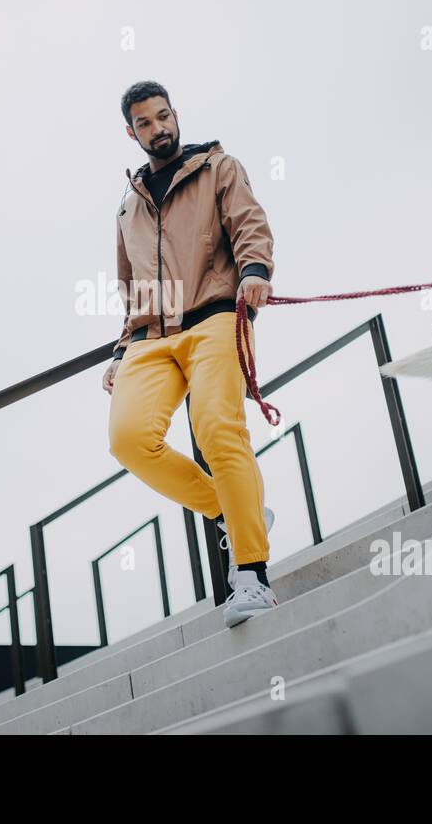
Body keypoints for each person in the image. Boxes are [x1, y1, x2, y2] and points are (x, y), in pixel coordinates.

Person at [103, 80, 279, 628]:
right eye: (145, 123)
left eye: (163, 117)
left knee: (216, 429)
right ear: (131, 133)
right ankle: (236, 510)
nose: (158, 129)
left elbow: (249, 222)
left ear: (175, 115)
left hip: (214, 318)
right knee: (128, 439)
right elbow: (130, 285)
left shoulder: (218, 168)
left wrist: (254, 270)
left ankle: (251, 575)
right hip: (151, 338)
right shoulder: (128, 207)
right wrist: (121, 348)